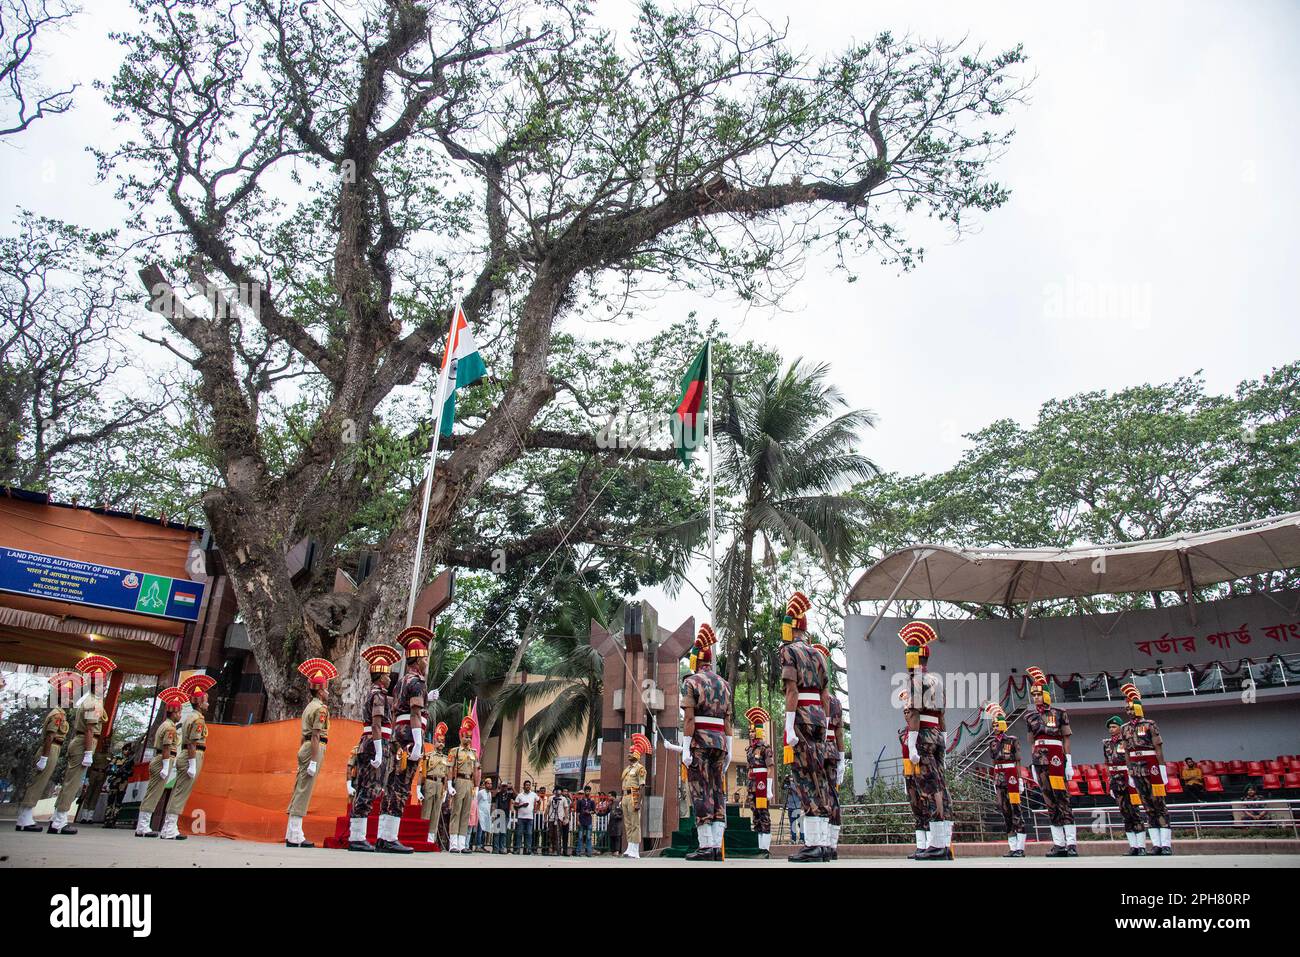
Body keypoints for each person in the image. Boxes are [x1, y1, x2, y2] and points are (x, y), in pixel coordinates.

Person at [779, 591, 833, 862]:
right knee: (819, 778)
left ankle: (812, 844)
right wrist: (823, 725)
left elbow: (791, 690)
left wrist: (789, 727)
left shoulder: (789, 651)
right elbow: (825, 696)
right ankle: (822, 843)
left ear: (791, 627)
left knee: (804, 778)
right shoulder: (819, 655)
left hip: (800, 717)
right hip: (819, 721)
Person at [381, 628, 436, 854]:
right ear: (415, 660)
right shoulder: (418, 682)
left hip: (398, 734)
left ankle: (383, 836)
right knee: (402, 787)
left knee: (392, 783)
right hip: (410, 737)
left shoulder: (402, 681)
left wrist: (427, 700)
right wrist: (418, 743)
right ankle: (391, 837)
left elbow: (405, 709)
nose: (426, 662)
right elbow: (415, 713)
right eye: (424, 658)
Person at [681, 624, 733, 861]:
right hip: (721, 742)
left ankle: (706, 846)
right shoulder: (725, 684)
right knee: (717, 790)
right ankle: (715, 846)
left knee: (700, 790)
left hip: (700, 741)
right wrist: (730, 749)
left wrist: (685, 746)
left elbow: (689, 718)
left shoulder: (691, 682)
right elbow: (728, 720)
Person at [50, 655, 117, 835]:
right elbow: (89, 729)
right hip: (84, 743)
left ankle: (57, 817)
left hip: (82, 742)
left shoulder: (92, 701)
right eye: (104, 683)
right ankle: (59, 821)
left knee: (71, 781)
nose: (105, 686)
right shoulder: (93, 703)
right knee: (72, 783)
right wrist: (88, 752)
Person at [902, 623, 952, 861]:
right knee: (940, 785)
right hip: (937, 735)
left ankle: (937, 845)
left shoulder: (915, 679)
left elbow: (913, 713)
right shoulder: (937, 679)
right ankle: (942, 843)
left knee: (929, 789)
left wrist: (911, 744)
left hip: (922, 735)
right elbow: (942, 712)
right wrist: (943, 735)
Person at [348, 644, 399, 852]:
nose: (389, 678)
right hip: (373, 744)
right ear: (380, 676)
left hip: (370, 743)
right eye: (387, 675)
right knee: (368, 789)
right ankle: (356, 837)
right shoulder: (377, 694)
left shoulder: (377, 693)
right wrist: (379, 750)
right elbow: (377, 724)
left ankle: (357, 835)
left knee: (366, 789)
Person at [14, 671, 76, 833]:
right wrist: (44, 757)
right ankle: (24, 817)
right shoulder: (56, 714)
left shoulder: (60, 713)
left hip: (54, 748)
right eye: (68, 697)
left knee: (41, 780)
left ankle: (25, 817)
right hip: (49, 749)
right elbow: (49, 736)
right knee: (38, 782)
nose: (70, 700)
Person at [286, 657, 337, 848]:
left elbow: (304, 736)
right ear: (321, 690)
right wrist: (314, 760)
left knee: (300, 787)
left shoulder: (309, 706)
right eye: (326, 688)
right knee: (304, 790)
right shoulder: (321, 709)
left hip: (306, 748)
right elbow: (316, 735)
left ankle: (292, 831)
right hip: (314, 748)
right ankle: (296, 834)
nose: (328, 692)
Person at [1024, 666, 1075, 857]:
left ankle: (1071, 843)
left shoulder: (1059, 713)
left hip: (1056, 759)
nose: (1036, 697)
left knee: (1062, 799)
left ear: (1046, 694)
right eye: (1033, 694)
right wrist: (1033, 766)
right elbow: (1032, 743)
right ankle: (1059, 844)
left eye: (1039, 694)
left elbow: (1066, 738)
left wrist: (1068, 761)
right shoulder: (1030, 717)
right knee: (1049, 802)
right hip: (1040, 760)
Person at [162, 673, 217, 840]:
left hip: (186, 754)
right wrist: (193, 763)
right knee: (182, 791)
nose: (208, 704)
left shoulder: (190, 717)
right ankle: (170, 827)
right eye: (206, 700)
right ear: (200, 703)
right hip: (192, 755)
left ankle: (168, 826)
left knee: (179, 790)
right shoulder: (198, 720)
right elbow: (193, 743)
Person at [1121, 683, 1172, 855]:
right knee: (1147, 805)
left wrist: (1162, 767)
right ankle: (1156, 844)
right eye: (1126, 709)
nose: (1129, 711)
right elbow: (1127, 751)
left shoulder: (1150, 724)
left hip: (1151, 765)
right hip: (1136, 768)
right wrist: (1129, 771)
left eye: (1131, 708)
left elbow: (1158, 747)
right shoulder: (1125, 728)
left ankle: (1166, 844)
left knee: (1159, 804)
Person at [136, 686, 185, 838]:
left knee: (154, 792)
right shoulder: (169, 727)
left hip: (161, 759)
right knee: (154, 793)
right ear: (174, 712)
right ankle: (142, 826)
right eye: (179, 712)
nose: (180, 715)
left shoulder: (166, 725)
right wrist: (165, 766)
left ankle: (143, 825)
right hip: (163, 759)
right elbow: (166, 747)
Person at [813, 643, 846, 860]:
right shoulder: (835, 700)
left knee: (818, 792)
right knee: (832, 795)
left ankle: (823, 841)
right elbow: (840, 732)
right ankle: (831, 844)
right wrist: (842, 757)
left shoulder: (816, 697)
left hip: (818, 747)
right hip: (833, 750)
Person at [1103, 714, 1148, 856]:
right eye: (1110, 727)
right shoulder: (1107, 744)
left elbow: (1131, 759)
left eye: (1114, 727)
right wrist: (1110, 783)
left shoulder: (1126, 742)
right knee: (1124, 812)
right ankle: (1133, 846)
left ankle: (1141, 846)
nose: (1111, 729)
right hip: (1116, 780)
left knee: (1135, 812)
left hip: (1128, 778)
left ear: (1120, 728)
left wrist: (1132, 776)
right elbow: (1107, 763)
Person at [985, 703, 1025, 858]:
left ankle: (1020, 847)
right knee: (1005, 811)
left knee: (1016, 810)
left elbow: (1018, 760)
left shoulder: (1012, 740)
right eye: (993, 725)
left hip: (1012, 776)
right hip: (999, 777)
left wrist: (1020, 779)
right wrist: (994, 779)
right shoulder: (992, 743)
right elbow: (994, 763)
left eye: (997, 724)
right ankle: (1012, 846)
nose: (995, 727)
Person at [895, 689, 930, 858]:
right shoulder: (903, 732)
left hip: (921, 772)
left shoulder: (922, 731)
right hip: (909, 774)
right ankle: (921, 846)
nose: (906, 714)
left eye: (908, 711)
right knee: (915, 809)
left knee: (926, 807)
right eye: (904, 712)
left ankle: (930, 844)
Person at [743, 707, 775, 858]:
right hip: (752, 784)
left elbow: (770, 768)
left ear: (759, 731)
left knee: (764, 815)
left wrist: (768, 788)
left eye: (752, 731)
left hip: (762, 785)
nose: (750, 733)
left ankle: (765, 849)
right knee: (755, 815)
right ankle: (758, 848)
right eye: (749, 731)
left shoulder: (765, 748)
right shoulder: (749, 749)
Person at [447, 715, 479, 852]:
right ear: (461, 736)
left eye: (470, 737)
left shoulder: (474, 753)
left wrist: (477, 786)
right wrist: (449, 784)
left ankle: (462, 844)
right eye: (466, 736)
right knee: (456, 812)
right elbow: (449, 768)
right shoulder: (455, 751)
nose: (468, 739)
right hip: (459, 781)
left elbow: (477, 770)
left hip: (469, 783)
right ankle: (453, 844)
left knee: (466, 813)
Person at [419, 721, 451, 848]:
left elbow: (447, 775)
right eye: (438, 741)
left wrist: (445, 790)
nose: (441, 743)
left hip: (440, 784)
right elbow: (423, 773)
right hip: (430, 782)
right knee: (426, 810)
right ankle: (423, 836)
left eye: (443, 741)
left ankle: (431, 838)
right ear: (434, 741)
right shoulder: (428, 756)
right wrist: (418, 788)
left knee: (436, 812)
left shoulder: (446, 758)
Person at [620, 736, 649, 858]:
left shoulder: (640, 768)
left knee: (635, 823)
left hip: (634, 796)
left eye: (632, 752)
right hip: (625, 796)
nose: (629, 754)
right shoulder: (627, 768)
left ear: (637, 754)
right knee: (628, 823)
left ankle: (635, 850)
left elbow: (642, 786)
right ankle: (629, 847)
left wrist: (639, 802)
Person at [101, 740, 137, 829]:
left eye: (129, 750)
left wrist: (126, 773)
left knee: (118, 802)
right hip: (114, 781)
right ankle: (107, 820)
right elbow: (109, 768)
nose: (127, 752)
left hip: (123, 782)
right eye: (126, 749)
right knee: (110, 801)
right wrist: (114, 772)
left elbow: (132, 772)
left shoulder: (130, 760)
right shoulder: (116, 758)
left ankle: (114, 820)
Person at [512, 779, 538, 854]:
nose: (528, 786)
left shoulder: (533, 794)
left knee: (529, 833)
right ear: (524, 786)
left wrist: (536, 809)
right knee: (519, 833)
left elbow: (539, 801)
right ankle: (517, 849)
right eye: (526, 785)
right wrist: (522, 805)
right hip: (521, 817)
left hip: (530, 818)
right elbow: (515, 806)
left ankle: (528, 849)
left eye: (529, 785)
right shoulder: (520, 795)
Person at [575, 785, 596, 857]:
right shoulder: (580, 801)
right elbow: (577, 812)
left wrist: (589, 812)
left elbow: (594, 811)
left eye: (589, 791)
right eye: (586, 791)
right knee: (580, 837)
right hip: (581, 820)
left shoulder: (592, 801)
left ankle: (589, 852)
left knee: (588, 837)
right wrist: (577, 821)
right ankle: (578, 852)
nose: (588, 792)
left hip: (589, 821)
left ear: (590, 792)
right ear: (584, 792)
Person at [493, 780, 513, 853]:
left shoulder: (509, 794)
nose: (504, 788)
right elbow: (493, 796)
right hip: (498, 814)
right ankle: (495, 848)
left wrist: (512, 788)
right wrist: (498, 788)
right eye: (503, 786)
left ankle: (502, 848)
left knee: (503, 833)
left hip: (506, 815)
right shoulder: (498, 794)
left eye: (505, 786)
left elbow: (516, 796)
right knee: (496, 832)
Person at [475, 777, 493, 851]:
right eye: (488, 783)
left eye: (490, 783)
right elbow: (477, 802)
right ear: (485, 784)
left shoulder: (490, 793)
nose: (489, 785)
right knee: (480, 830)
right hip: (480, 814)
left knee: (484, 831)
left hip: (486, 815)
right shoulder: (481, 792)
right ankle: (478, 846)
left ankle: (482, 846)